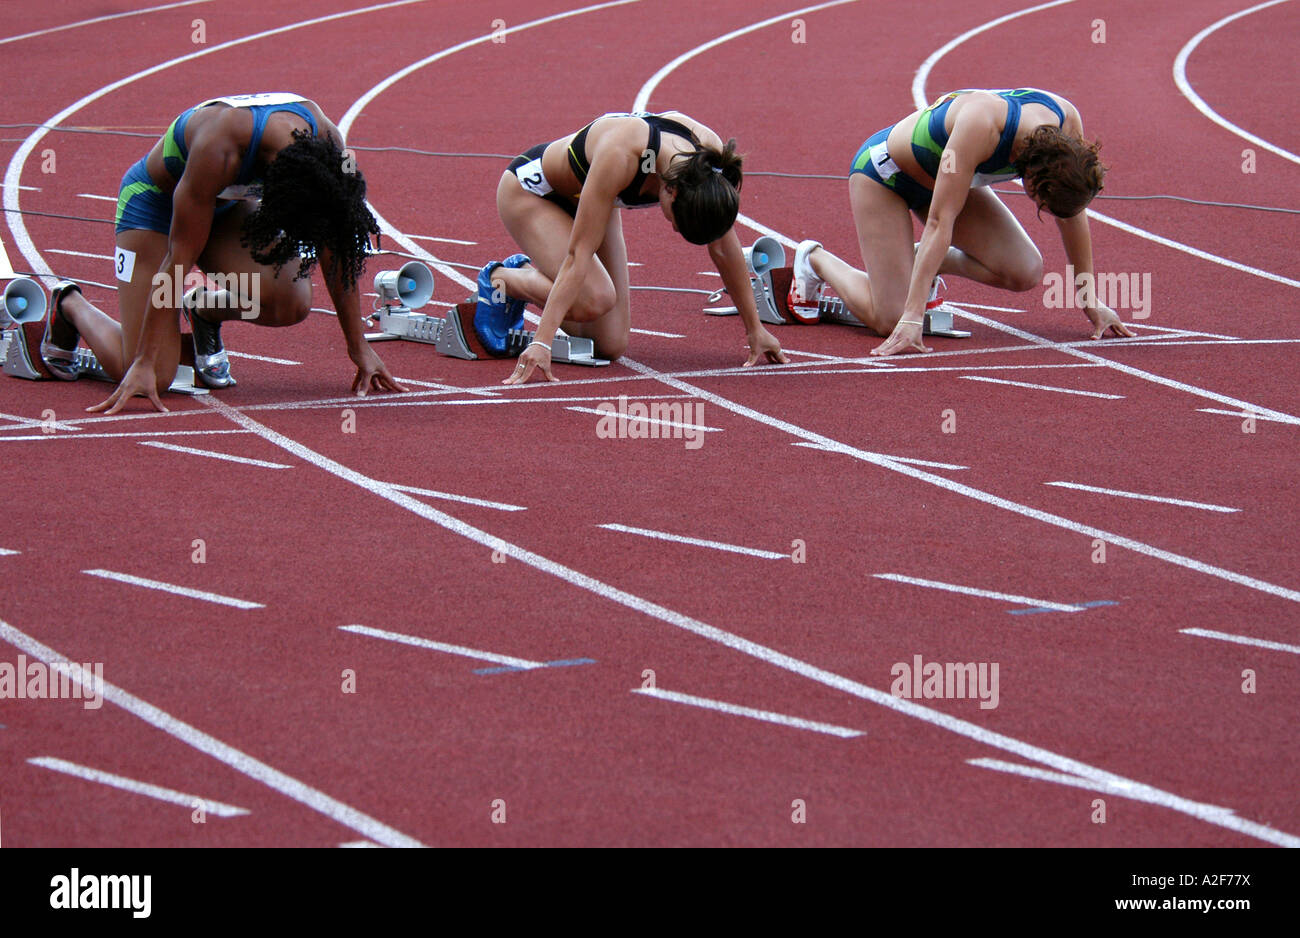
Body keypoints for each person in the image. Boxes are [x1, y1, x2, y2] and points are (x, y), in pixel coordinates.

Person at [41, 92, 406, 414]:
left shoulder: (326, 143)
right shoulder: (220, 146)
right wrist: (145, 360)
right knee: (152, 372)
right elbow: (178, 261)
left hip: (225, 206)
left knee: (289, 303)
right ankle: (71, 306)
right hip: (155, 209)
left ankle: (203, 308)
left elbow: (336, 248)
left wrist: (358, 347)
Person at [789, 88, 1135, 355]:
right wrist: (912, 316)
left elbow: (1073, 217)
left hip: (945, 181)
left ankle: (924, 263)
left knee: (1025, 271)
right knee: (890, 319)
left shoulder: (1067, 124)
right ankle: (814, 259)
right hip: (885, 177)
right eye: (1041, 202)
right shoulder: (981, 126)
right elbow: (941, 222)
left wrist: (1090, 300)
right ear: (1029, 177)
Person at [478, 110, 788, 384]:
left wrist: (754, 329)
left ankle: (542, 284)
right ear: (670, 189)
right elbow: (578, 255)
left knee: (609, 344)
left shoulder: (709, 168)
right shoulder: (623, 154)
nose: (674, 227)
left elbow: (723, 247)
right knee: (595, 299)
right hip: (533, 195)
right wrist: (542, 342)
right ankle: (503, 281)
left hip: (597, 199)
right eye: (676, 222)